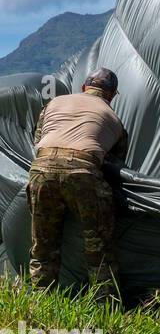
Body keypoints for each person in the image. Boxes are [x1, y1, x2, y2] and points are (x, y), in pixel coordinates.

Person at [27, 68, 129, 299]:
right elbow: (115, 164)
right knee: (99, 248)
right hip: (83, 172)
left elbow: (37, 140)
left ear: (84, 87)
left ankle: (39, 302)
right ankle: (106, 306)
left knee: (42, 246)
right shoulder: (114, 120)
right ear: (112, 94)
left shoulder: (54, 103)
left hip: (41, 170)